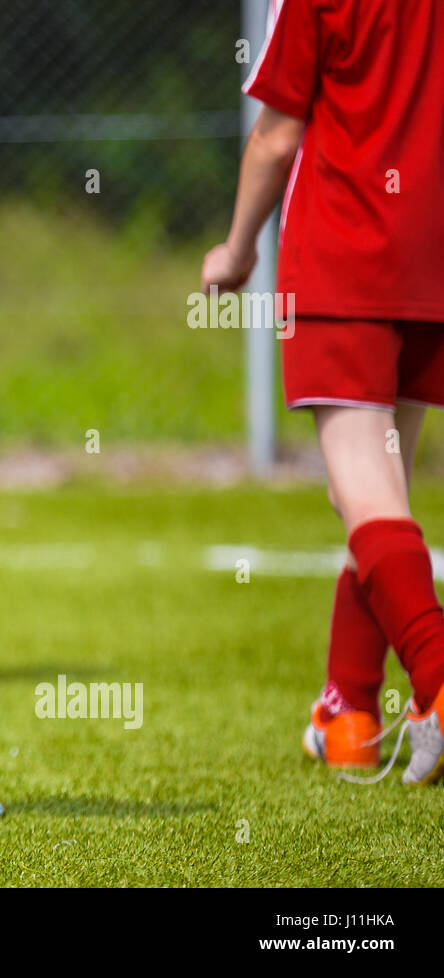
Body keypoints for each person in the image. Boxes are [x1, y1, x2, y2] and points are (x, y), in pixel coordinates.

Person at [202, 0, 444, 782]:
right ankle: (349, 712)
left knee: (368, 498)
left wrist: (237, 250)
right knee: (378, 500)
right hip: (431, 257)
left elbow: (275, 134)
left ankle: (438, 681)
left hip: (346, 254)